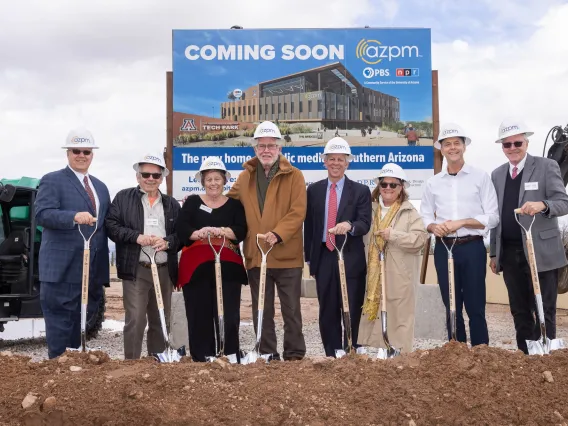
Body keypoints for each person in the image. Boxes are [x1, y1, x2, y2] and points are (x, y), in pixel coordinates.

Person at [227, 120, 307, 361]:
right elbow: (228, 205)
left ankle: (294, 353)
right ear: (255, 149)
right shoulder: (244, 178)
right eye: (261, 146)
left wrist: (278, 234)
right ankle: (267, 352)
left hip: (287, 255)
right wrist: (202, 202)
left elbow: (298, 211)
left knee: (291, 309)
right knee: (262, 308)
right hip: (256, 254)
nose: (266, 150)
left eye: (271, 145)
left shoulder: (294, 175)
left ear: (280, 147)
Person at [489, 119, 568, 354]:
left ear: (526, 142)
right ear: (502, 147)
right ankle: (525, 356)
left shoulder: (546, 167)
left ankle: (545, 354)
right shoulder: (497, 174)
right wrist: (494, 252)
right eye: (507, 144)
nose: (512, 148)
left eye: (517, 143)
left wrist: (543, 204)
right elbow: (496, 217)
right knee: (519, 309)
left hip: (542, 252)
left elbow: (563, 203)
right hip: (510, 253)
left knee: (545, 307)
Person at [420, 123, 499, 346]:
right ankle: (456, 355)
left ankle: (481, 353)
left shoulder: (480, 177)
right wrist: (433, 227)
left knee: (475, 305)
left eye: (457, 143)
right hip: (444, 249)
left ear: (464, 147)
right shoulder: (433, 183)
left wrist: (462, 222)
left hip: (473, 248)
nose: (452, 148)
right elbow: (425, 215)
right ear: (441, 149)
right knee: (451, 304)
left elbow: (492, 217)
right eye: (447, 144)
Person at [34, 128, 110, 359]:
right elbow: (43, 214)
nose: (81, 155)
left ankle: (75, 369)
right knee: (60, 323)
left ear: (92, 154)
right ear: (68, 152)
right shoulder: (52, 180)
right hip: (61, 268)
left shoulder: (101, 187)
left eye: (86, 151)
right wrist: (73, 216)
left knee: (82, 322)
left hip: (92, 268)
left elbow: (107, 224)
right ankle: (59, 369)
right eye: (76, 150)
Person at [105, 153, 181, 360]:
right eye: (145, 174)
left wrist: (167, 242)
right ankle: (132, 364)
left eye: (155, 175)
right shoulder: (123, 198)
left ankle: (155, 361)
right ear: (138, 176)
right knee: (136, 319)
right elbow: (111, 226)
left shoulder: (172, 204)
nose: (150, 178)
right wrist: (136, 237)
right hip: (136, 269)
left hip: (164, 269)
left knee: (161, 319)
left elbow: (181, 235)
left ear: (162, 178)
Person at [303, 137, 372, 357]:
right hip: (324, 256)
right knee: (328, 308)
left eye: (340, 159)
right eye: (331, 158)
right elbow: (310, 227)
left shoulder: (361, 191)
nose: (335, 163)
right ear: (324, 161)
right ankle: (332, 354)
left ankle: (351, 350)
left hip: (350, 257)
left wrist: (349, 225)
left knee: (351, 305)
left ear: (347, 162)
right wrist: (310, 260)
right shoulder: (313, 190)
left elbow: (364, 222)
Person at [176, 157, 248, 362]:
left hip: (228, 267)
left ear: (225, 180)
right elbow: (182, 229)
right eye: (209, 179)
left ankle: (230, 354)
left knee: (229, 311)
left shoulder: (234, 205)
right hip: (196, 267)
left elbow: (242, 230)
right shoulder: (192, 202)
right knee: (199, 312)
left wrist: (222, 231)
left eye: (217, 178)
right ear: (202, 181)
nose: (213, 183)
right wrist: (200, 233)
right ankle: (202, 356)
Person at [358, 163, 428, 354]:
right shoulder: (369, 210)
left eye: (393, 185)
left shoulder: (409, 212)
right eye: (384, 184)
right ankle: (377, 349)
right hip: (373, 275)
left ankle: (397, 354)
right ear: (378, 187)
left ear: (401, 188)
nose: (388, 188)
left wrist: (394, 235)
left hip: (400, 276)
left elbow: (420, 239)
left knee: (400, 316)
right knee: (375, 313)